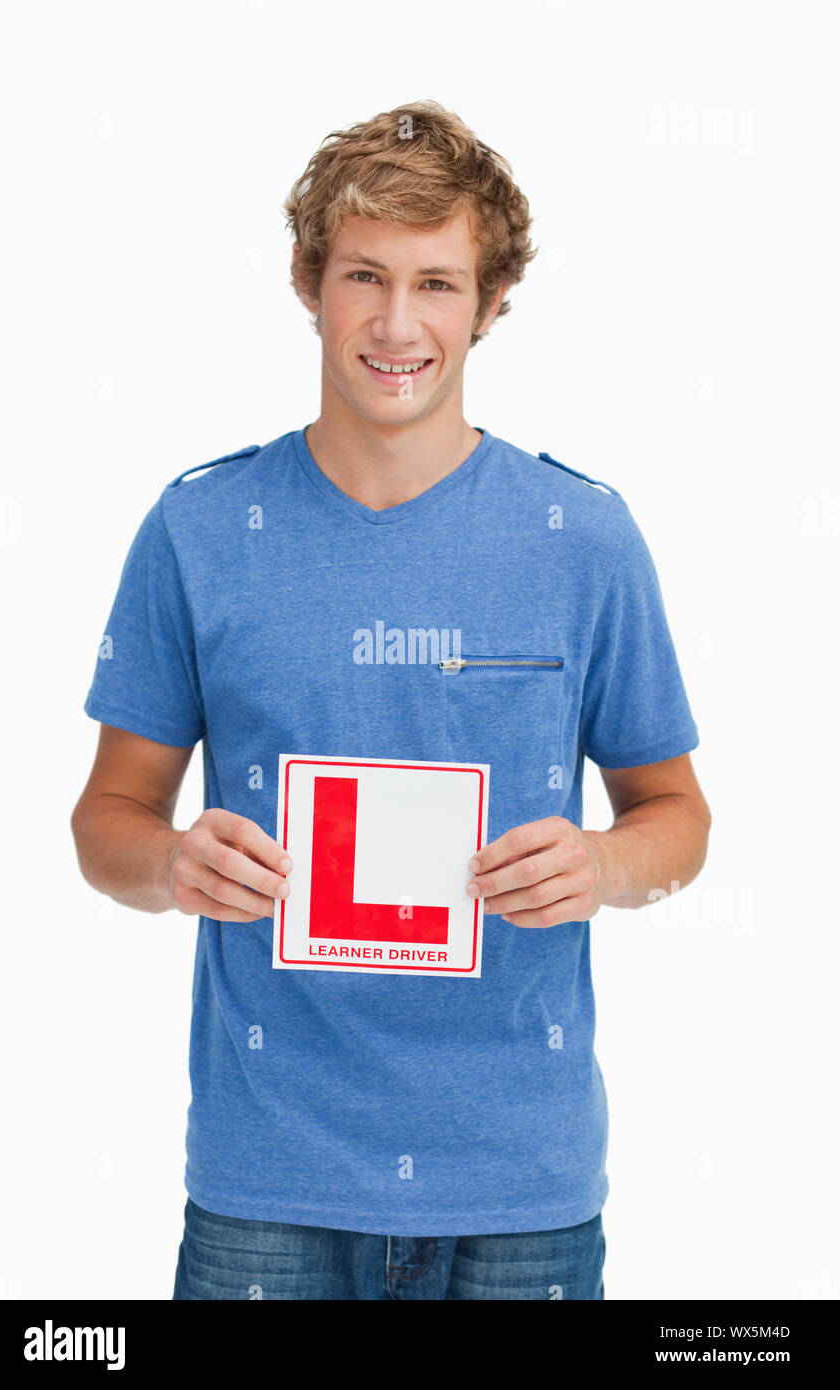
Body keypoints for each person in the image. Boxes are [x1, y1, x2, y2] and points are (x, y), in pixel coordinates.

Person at [71, 100, 711, 1301]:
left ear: (490, 303)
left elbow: (674, 812)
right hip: (268, 1188)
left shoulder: (584, 538)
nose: (397, 323)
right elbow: (107, 817)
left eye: (438, 283)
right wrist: (168, 866)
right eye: (364, 274)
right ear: (308, 281)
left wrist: (603, 866)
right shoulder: (198, 530)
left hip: (520, 1186)